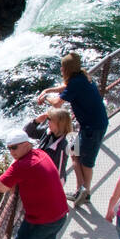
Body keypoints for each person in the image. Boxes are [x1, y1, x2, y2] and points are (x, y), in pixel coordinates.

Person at [35, 52, 108, 204]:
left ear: (67, 68)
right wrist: (48, 90)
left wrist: (44, 97)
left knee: (86, 162)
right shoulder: (82, 76)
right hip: (88, 125)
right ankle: (80, 191)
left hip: (93, 128)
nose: (61, 69)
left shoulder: (76, 82)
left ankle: (85, 193)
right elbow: (65, 87)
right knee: (74, 154)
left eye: (62, 67)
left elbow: (57, 104)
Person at [25, 107, 74, 179]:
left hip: (50, 181)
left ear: (59, 123)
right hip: (40, 173)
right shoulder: (47, 132)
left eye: (50, 120)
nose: (48, 122)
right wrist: (35, 121)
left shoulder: (63, 145)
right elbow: (27, 133)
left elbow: (59, 171)